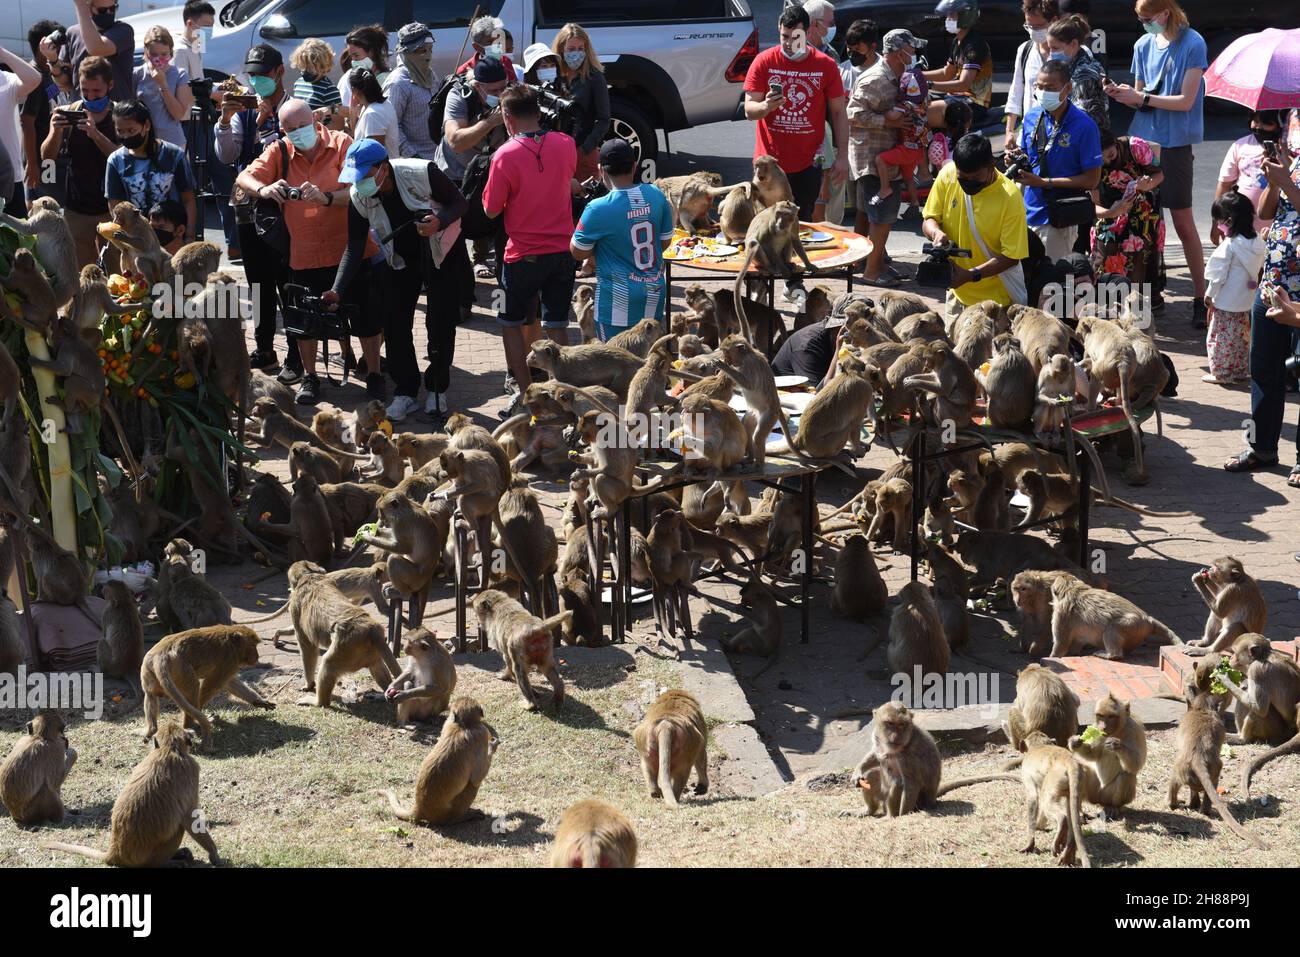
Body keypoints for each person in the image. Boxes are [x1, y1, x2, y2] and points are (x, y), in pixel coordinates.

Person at [236, 98, 368, 405]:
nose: (299, 133)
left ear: (315, 121)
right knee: (304, 317)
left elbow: (361, 188)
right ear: (282, 129)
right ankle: (310, 376)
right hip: (303, 249)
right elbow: (244, 177)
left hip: (346, 247)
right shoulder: (279, 150)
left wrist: (326, 198)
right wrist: (264, 189)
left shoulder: (341, 143)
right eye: (291, 129)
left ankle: (369, 368)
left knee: (363, 312)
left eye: (303, 126)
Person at [332, 139, 466, 416]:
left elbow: (459, 203)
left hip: (441, 252)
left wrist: (439, 221)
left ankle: (437, 388)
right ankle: (405, 391)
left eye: (364, 176)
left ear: (383, 168)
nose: (360, 183)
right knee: (394, 323)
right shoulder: (359, 196)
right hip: (400, 259)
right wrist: (337, 289)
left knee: (440, 321)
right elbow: (354, 246)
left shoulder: (420, 171)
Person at [1104, 0, 1206, 326]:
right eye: (1140, 18)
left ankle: (1201, 297)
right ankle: (1149, 295)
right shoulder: (1142, 44)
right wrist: (1122, 94)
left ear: (1165, 12)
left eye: (1148, 18)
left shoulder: (1193, 43)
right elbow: (1140, 98)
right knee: (1142, 224)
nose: (1144, 23)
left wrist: (1141, 98)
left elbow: (1186, 101)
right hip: (1143, 143)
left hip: (1174, 145)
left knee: (1183, 221)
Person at [482, 85, 577, 414]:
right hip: (562, 252)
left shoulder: (504, 155)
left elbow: (491, 210)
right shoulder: (566, 145)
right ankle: (565, 396)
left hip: (522, 256)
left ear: (507, 117)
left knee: (510, 323)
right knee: (557, 325)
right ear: (538, 112)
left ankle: (527, 397)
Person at [1225, 138, 1300, 485]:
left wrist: (1286, 182)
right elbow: (1267, 213)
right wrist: (1275, 178)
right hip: (1273, 283)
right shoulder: (1295, 163)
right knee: (1263, 370)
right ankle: (1261, 447)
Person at [215, 43, 288, 372]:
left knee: (289, 279)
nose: (257, 81)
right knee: (258, 281)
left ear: (279, 72)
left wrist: (270, 116)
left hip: (286, 205)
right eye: (252, 75)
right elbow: (229, 156)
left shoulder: (293, 106)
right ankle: (264, 348)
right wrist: (226, 121)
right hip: (250, 206)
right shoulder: (244, 112)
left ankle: (299, 354)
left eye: (262, 75)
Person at [743, 6, 848, 222]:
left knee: (801, 225)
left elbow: (838, 112)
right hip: (768, 163)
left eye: (796, 37)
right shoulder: (764, 61)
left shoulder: (825, 65)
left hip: (808, 163)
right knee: (765, 225)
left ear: (808, 33)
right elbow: (749, 110)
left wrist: (843, 157)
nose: (789, 44)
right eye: (784, 37)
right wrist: (765, 106)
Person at [571, 138, 674, 341]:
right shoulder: (655, 194)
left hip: (616, 301)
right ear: (634, 166)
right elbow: (664, 242)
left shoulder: (598, 207)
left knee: (616, 364)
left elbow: (577, 251)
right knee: (647, 361)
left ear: (600, 169)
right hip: (654, 292)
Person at [922, 133, 1030, 319]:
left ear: (991, 166)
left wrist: (969, 275)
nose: (968, 182)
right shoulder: (948, 175)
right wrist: (936, 233)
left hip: (996, 304)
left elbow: (1011, 257)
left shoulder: (1010, 198)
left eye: (975, 177)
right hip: (957, 296)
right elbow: (929, 219)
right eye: (962, 177)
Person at [436, 58, 510, 329]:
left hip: (492, 175)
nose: (500, 95)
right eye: (493, 91)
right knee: (454, 241)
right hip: (456, 176)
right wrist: (491, 122)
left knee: (504, 237)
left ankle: (506, 302)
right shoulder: (459, 95)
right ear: (477, 86)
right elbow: (455, 141)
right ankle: (461, 302)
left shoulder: (508, 93)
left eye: (503, 88)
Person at [1008, 59, 1101, 262]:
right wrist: (1014, 158)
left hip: (1059, 219)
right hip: (1025, 213)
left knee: (1051, 286)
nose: (1043, 92)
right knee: (1025, 283)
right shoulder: (1032, 116)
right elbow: (1027, 155)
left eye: (1050, 88)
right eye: (1039, 87)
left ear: (1067, 88)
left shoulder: (1085, 126)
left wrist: (1045, 183)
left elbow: (1092, 180)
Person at [847, 29, 920, 287]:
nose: (914, 54)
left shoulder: (898, 77)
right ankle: (871, 272)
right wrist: (887, 120)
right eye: (911, 50)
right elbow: (853, 114)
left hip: (887, 157)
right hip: (872, 159)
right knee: (882, 216)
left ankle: (875, 264)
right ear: (900, 53)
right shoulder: (875, 79)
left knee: (878, 214)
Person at [42, 56, 118, 267]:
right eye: (86, 91)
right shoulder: (73, 110)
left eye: (97, 91)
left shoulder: (119, 115)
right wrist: (56, 131)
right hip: (77, 208)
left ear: (110, 86)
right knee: (82, 274)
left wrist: (96, 135)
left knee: (117, 273)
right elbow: (47, 156)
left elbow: (124, 159)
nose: (91, 97)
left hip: (110, 208)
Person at [105, 99, 196, 243]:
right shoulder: (116, 160)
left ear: (146, 125)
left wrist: (189, 235)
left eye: (131, 130)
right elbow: (114, 204)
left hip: (172, 237)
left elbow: (188, 198)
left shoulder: (174, 155)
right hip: (136, 239)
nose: (126, 136)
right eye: (120, 131)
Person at [1203, 190, 1265, 385]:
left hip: (1226, 301)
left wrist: (1209, 295)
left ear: (1228, 221)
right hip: (1246, 300)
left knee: (1220, 337)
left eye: (1219, 220)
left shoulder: (1229, 245)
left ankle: (1221, 372)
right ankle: (1239, 370)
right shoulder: (1256, 241)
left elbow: (1218, 275)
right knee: (1242, 337)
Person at [1090, 130, 1163, 286]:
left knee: (1140, 254)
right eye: (1102, 161)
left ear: (1116, 144)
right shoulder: (1091, 161)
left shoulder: (1135, 147)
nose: (1107, 163)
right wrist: (1112, 212)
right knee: (1104, 253)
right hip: (1109, 209)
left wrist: (1146, 185)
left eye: (1110, 156)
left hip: (1143, 210)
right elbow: (1093, 205)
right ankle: (1105, 301)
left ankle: (1135, 303)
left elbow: (1159, 175)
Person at [552, 23, 610, 188]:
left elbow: (604, 119)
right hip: (556, 150)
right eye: (571, 49)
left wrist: (586, 148)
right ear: (561, 49)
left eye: (580, 48)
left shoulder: (594, 78)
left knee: (584, 200)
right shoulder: (555, 75)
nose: (576, 53)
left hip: (582, 151)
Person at [869, 50, 928, 208]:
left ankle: (884, 188)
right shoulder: (923, 103)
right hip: (919, 150)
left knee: (880, 159)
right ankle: (914, 203)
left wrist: (885, 110)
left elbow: (893, 116)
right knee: (908, 177)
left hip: (907, 150)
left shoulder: (903, 106)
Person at [924, 0, 994, 130]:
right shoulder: (958, 41)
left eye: (952, 15)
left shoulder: (974, 45)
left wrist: (929, 85)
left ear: (965, 16)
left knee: (924, 114)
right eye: (948, 15)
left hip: (974, 103)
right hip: (957, 97)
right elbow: (947, 73)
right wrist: (918, 75)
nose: (947, 19)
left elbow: (964, 84)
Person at [1215, 110, 1282, 242]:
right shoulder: (1240, 145)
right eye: (1255, 121)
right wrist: (1218, 221)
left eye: (1266, 123)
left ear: (1278, 124)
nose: (1259, 127)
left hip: (1278, 228)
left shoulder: (1288, 148)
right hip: (1243, 227)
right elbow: (1224, 184)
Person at [21, 21, 66, 204]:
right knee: (47, 206)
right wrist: (32, 164)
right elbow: (26, 121)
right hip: (43, 160)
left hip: (54, 153)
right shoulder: (34, 77)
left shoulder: (48, 72)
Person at [384, 23, 439, 161]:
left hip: (437, 159)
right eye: (421, 51)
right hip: (413, 165)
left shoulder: (430, 75)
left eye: (430, 50)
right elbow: (391, 126)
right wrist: (413, 157)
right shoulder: (398, 83)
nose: (428, 56)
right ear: (406, 52)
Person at [1006, 0, 1059, 142]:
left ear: (1053, 20)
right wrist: (1009, 131)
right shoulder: (1024, 50)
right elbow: (1016, 92)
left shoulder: (1066, 54)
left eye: (1039, 26)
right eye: (1029, 26)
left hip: (1059, 134)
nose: (1034, 31)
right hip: (1029, 133)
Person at [132, 27, 193, 149]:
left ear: (171, 52)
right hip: (143, 141)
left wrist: (163, 85)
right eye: (154, 54)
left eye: (164, 54)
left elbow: (178, 114)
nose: (159, 59)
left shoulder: (179, 75)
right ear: (146, 52)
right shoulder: (137, 74)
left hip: (172, 142)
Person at [1045, 14, 1107, 134]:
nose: (1051, 53)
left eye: (1055, 48)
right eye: (1050, 48)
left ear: (1073, 44)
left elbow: (1083, 115)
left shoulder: (1083, 73)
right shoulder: (1073, 63)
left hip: (1088, 138)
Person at [64, 0, 134, 104]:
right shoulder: (73, 33)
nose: (109, 13)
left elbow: (96, 49)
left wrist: (81, 5)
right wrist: (53, 62)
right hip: (83, 113)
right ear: (89, 9)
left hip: (117, 114)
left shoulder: (123, 30)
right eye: (102, 10)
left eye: (113, 8)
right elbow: (64, 83)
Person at [0, 45, 42, 213]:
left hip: (8, 178)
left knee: (17, 237)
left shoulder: (6, 80)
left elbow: (34, 78)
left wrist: (3, 53)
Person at [290, 39, 343, 125]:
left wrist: (316, 131)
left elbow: (338, 124)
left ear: (323, 67)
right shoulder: (299, 83)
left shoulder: (329, 90)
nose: (305, 71)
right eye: (302, 66)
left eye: (310, 69)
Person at [338, 25, 390, 112]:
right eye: (351, 56)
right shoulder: (349, 77)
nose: (353, 61)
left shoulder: (387, 80)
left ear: (371, 52)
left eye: (356, 55)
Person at [349, 69, 399, 157]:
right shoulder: (379, 106)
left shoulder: (372, 114)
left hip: (381, 170)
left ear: (354, 90)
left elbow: (374, 155)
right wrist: (353, 110)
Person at [173, 1, 215, 87]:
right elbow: (182, 88)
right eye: (206, 25)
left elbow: (199, 80)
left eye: (212, 25)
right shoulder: (180, 51)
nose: (210, 29)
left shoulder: (196, 45)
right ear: (190, 24)